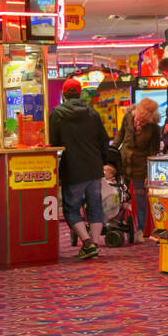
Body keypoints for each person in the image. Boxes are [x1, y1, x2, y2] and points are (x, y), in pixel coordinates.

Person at [49, 77, 109, 259]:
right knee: (95, 206)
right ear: (80, 93)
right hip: (94, 166)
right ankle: (95, 243)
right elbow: (104, 140)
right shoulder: (92, 113)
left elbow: (54, 142)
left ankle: (88, 243)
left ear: (64, 94)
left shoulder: (58, 114)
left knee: (71, 208)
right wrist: (103, 161)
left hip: (73, 167)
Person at [115, 96, 161, 242]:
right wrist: (109, 156)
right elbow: (119, 138)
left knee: (141, 200)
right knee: (119, 197)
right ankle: (118, 226)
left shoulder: (154, 128)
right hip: (124, 163)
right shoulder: (128, 117)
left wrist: (149, 174)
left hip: (141, 167)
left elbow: (153, 152)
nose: (139, 123)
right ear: (137, 111)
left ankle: (140, 231)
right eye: (139, 119)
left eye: (143, 121)